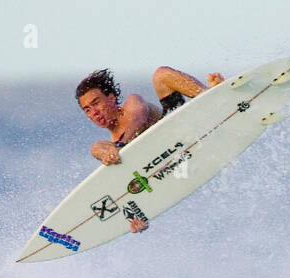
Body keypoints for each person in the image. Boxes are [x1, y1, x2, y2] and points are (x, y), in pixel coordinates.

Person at [76, 67, 224, 232]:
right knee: (96, 148)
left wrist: (121, 146)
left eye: (96, 103)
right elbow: (127, 188)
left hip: (183, 132)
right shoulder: (111, 149)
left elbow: (138, 116)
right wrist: (135, 218)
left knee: (161, 75)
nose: (94, 113)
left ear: (111, 98)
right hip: (174, 166)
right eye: (87, 110)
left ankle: (211, 96)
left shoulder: (132, 105)